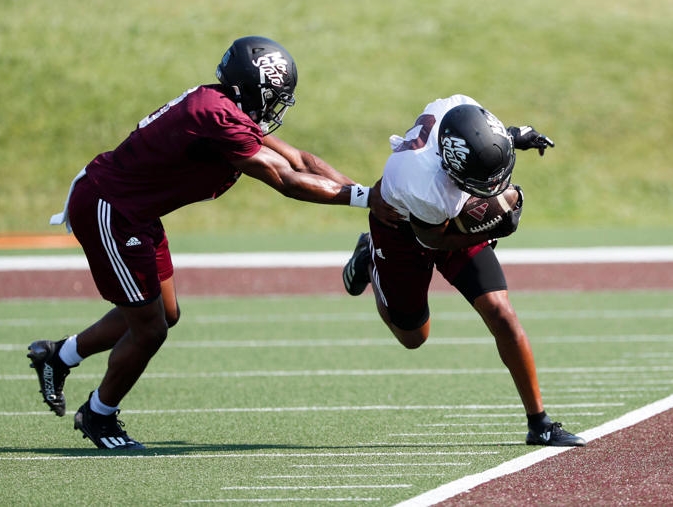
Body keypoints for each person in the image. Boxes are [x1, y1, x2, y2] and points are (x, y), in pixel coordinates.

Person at [27, 35, 399, 450]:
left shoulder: (226, 105)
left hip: (136, 211)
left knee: (164, 314)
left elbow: (300, 160)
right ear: (248, 89)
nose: (275, 107)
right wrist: (367, 199)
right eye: (272, 97)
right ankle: (98, 415)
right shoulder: (216, 117)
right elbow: (286, 181)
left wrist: (367, 194)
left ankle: (58, 356)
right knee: (149, 330)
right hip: (110, 210)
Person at [342, 94, 585, 447]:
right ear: (451, 167)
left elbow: (481, 137)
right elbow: (434, 240)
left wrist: (514, 137)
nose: (491, 187)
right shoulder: (422, 184)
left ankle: (540, 423)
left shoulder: (461, 111)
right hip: (404, 229)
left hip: (451, 214)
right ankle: (369, 258)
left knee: (501, 312)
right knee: (413, 337)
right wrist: (494, 228)